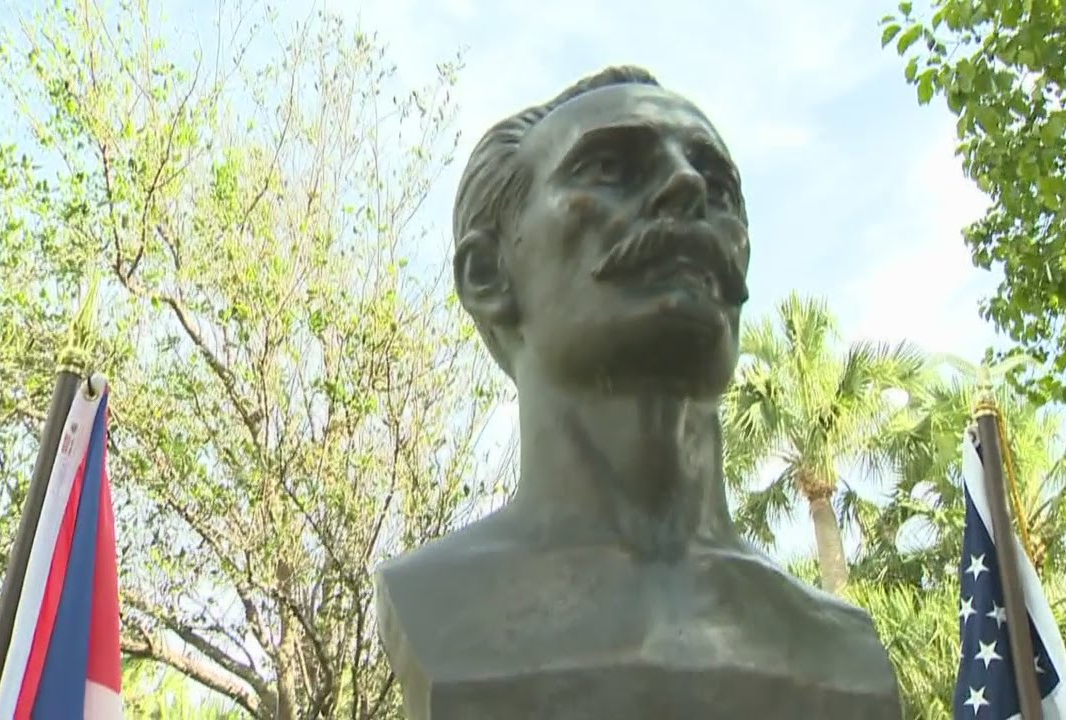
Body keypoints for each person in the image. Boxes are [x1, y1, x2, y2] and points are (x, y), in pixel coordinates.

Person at [374, 66, 902, 719]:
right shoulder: (441, 605)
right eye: (610, 168)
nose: (687, 185)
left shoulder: (839, 648)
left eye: (719, 181)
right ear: (488, 274)